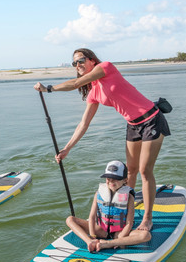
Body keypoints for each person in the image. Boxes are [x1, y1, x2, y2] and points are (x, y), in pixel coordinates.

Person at [34, 48, 170, 231]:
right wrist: (67, 149)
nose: (78, 65)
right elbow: (83, 124)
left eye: (81, 60)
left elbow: (75, 83)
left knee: (145, 171)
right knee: (130, 172)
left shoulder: (106, 67)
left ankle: (147, 218)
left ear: (92, 61)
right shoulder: (93, 92)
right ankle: (123, 214)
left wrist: (48, 88)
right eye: (74, 63)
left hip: (151, 120)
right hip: (133, 125)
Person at [65, 160, 151, 252]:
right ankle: (89, 242)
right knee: (70, 219)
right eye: (108, 178)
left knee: (146, 235)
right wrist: (92, 236)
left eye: (115, 178)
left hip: (118, 233)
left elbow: (129, 223)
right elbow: (92, 216)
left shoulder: (129, 197)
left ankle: (108, 244)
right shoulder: (98, 193)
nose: (111, 181)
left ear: (125, 180)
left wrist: (119, 239)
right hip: (101, 230)